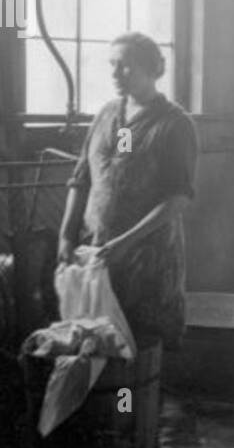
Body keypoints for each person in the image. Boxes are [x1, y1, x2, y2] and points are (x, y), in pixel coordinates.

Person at [58, 32, 198, 352]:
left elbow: (177, 198)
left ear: (152, 70)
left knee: (141, 343)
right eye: (112, 65)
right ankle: (111, 403)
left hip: (147, 256)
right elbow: (80, 179)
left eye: (125, 66)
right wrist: (66, 236)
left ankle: (141, 400)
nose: (115, 74)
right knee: (97, 342)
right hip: (96, 250)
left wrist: (125, 243)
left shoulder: (174, 124)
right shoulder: (106, 116)